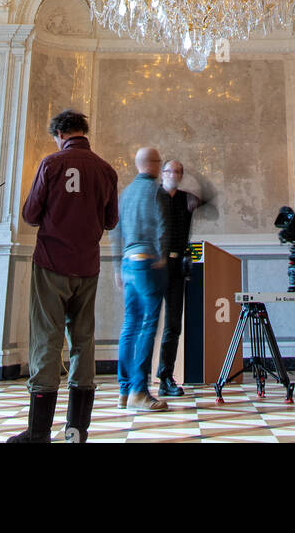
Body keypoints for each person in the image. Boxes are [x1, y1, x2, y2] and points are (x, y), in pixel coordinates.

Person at [9, 109, 118, 444]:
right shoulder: (105, 170)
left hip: (51, 262)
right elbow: (111, 221)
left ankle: (39, 431)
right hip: (87, 265)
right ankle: (76, 429)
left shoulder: (51, 164)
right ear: (83, 132)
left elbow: (30, 214)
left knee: (46, 339)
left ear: (59, 133)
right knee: (83, 341)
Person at [116, 147, 169, 412]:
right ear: (155, 165)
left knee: (130, 325)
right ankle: (139, 391)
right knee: (148, 326)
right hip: (148, 261)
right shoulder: (156, 191)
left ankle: (124, 391)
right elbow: (161, 224)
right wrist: (161, 256)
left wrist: (118, 267)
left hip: (128, 262)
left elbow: (116, 230)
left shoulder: (125, 193)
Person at [156, 160, 200, 398]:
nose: (175, 174)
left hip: (178, 264)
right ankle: (136, 382)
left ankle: (166, 377)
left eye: (179, 171)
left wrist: (190, 258)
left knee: (173, 324)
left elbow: (209, 199)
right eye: (171, 170)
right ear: (163, 173)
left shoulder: (187, 199)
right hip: (156, 264)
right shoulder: (154, 197)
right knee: (147, 322)